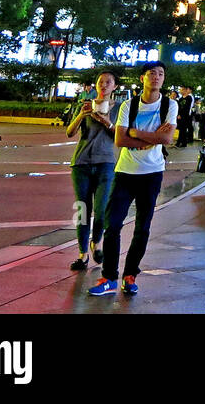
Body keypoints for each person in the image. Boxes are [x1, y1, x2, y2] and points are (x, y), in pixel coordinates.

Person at [89, 62, 177, 297]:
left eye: (160, 74)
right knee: (113, 225)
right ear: (142, 78)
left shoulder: (170, 104)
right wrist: (149, 138)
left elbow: (167, 138)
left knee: (143, 227)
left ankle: (130, 276)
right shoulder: (130, 105)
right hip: (125, 172)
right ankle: (108, 277)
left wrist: (135, 133)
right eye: (151, 74)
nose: (156, 77)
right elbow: (120, 139)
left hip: (152, 173)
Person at [66, 71, 117, 270]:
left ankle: (96, 242)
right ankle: (82, 254)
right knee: (82, 209)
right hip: (81, 163)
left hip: (106, 163)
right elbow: (69, 132)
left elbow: (119, 136)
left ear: (115, 87)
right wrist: (82, 114)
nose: (104, 85)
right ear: (95, 85)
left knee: (102, 208)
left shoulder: (119, 108)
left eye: (108, 82)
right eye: (100, 82)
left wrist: (106, 121)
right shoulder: (85, 105)